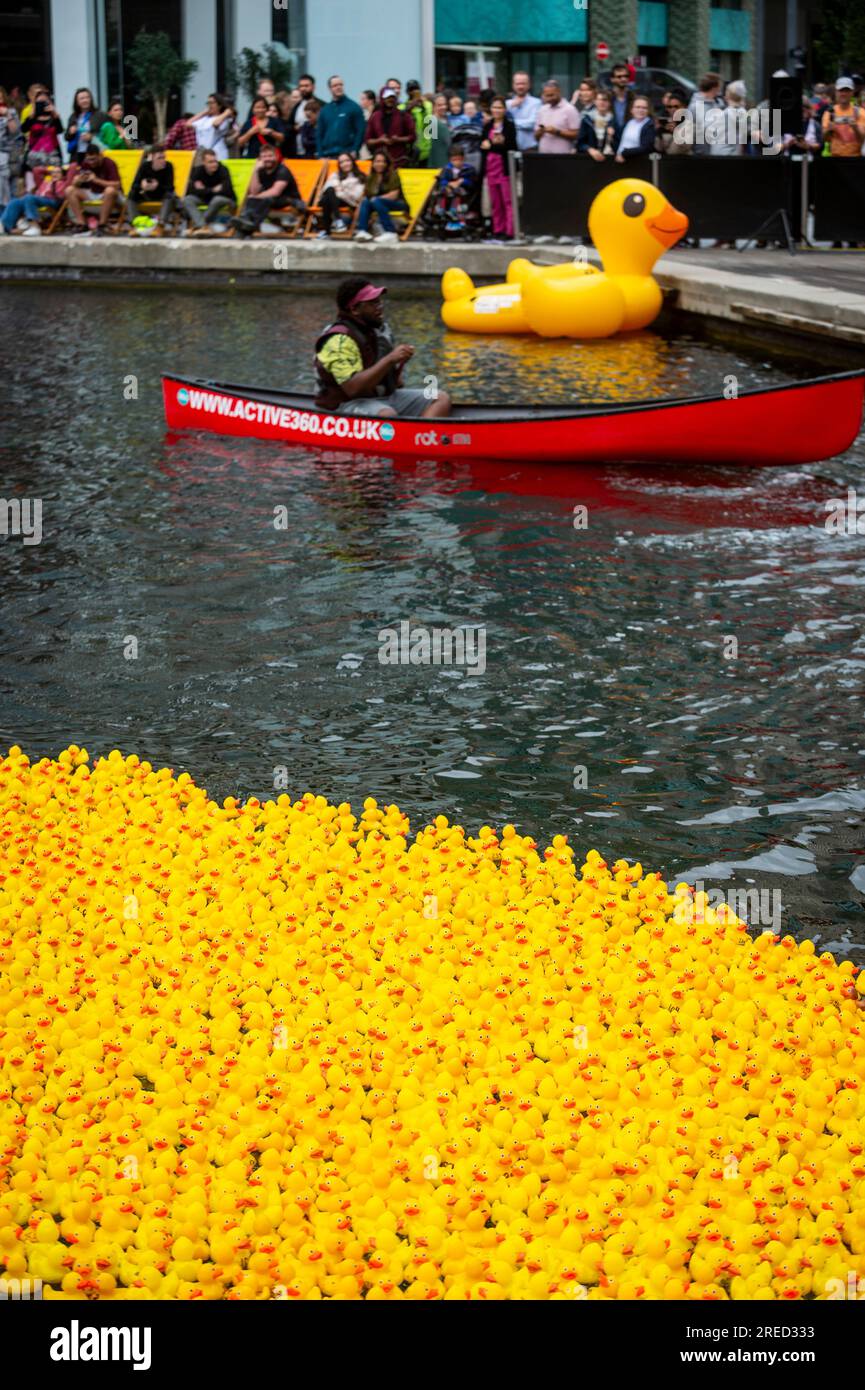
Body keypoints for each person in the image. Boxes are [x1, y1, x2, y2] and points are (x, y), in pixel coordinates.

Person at [315, 277, 451, 419]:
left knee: (440, 398)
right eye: (373, 303)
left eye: (379, 301)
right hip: (346, 404)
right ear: (354, 309)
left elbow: (395, 382)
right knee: (387, 415)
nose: (380, 306)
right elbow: (353, 389)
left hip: (382, 399)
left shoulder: (378, 330)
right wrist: (390, 359)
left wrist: (395, 370)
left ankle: (421, 438)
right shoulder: (338, 340)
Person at [229, 144, 307, 237]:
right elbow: (254, 191)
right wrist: (255, 170)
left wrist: (256, 197)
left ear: (276, 157)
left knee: (264, 199)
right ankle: (246, 224)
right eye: (264, 157)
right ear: (260, 159)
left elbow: (275, 191)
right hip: (270, 200)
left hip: (289, 200)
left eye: (270, 156)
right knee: (253, 198)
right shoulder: (261, 170)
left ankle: (248, 226)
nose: (267, 159)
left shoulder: (282, 170)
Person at [480, 95, 517, 239]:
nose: (497, 110)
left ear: (505, 109)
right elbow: (483, 144)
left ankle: (509, 231)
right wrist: (487, 144)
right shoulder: (487, 125)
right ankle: (497, 230)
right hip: (490, 167)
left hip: (504, 167)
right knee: (495, 202)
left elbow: (512, 146)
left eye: (500, 107)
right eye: (494, 107)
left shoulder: (509, 125)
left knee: (507, 200)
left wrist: (497, 143)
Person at [0, 161, 71, 235]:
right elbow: (36, 170)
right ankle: (6, 228)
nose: (55, 174)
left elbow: (72, 168)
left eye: (58, 172)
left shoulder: (64, 182)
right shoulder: (45, 181)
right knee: (14, 201)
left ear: (63, 175)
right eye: (53, 172)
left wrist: (63, 171)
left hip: (53, 200)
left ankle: (35, 226)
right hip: (38, 199)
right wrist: (48, 170)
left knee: (29, 197)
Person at [64, 146, 122, 234]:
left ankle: (102, 224)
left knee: (110, 190)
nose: (91, 162)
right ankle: (82, 224)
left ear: (100, 155)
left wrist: (96, 180)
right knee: (69, 190)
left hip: (110, 196)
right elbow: (78, 184)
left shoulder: (109, 163)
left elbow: (117, 185)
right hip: (93, 193)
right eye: (89, 159)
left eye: (93, 159)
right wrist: (77, 181)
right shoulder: (85, 164)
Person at [354, 150, 407, 242]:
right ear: (373, 163)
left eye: (383, 161)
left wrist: (376, 200)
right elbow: (366, 195)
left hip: (397, 204)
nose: (380, 164)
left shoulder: (393, 174)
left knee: (375, 201)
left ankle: (391, 232)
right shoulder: (371, 177)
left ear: (387, 163)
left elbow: (394, 195)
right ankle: (363, 231)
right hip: (378, 204)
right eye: (378, 161)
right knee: (366, 201)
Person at [124, 145, 178, 234]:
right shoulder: (145, 166)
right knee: (132, 194)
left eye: (164, 157)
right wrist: (142, 185)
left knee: (170, 196)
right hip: (147, 194)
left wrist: (157, 186)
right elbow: (134, 185)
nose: (163, 160)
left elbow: (170, 188)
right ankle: (136, 224)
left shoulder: (168, 166)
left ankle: (160, 225)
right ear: (152, 157)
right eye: (159, 158)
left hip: (161, 194)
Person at [181, 147, 236, 232]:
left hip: (226, 199)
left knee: (217, 199)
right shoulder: (198, 171)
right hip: (206, 198)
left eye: (215, 161)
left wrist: (204, 190)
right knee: (187, 200)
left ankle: (198, 227)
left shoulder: (223, 170)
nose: (214, 164)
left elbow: (227, 191)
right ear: (204, 163)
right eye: (210, 162)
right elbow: (190, 190)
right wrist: (212, 190)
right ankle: (203, 226)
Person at [312, 151, 365, 236]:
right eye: (341, 162)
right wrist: (341, 190)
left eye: (347, 160)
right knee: (328, 194)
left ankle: (327, 230)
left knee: (328, 198)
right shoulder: (335, 175)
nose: (345, 164)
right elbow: (326, 189)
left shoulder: (360, 177)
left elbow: (356, 196)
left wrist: (339, 190)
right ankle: (338, 221)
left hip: (348, 202)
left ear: (352, 161)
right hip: (334, 200)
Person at [365, 88, 415, 168]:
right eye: (387, 97)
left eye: (392, 97)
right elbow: (368, 140)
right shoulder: (375, 117)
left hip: (399, 160)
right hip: (380, 162)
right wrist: (380, 140)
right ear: (382, 99)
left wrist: (398, 139)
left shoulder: (404, 116)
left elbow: (413, 137)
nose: (390, 100)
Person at [317, 75, 365, 157]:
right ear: (329, 89)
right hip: (327, 155)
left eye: (340, 85)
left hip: (347, 155)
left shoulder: (354, 107)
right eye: (335, 85)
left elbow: (361, 131)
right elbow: (319, 133)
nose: (338, 87)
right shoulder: (325, 110)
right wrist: (320, 154)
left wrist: (355, 149)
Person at [822, 78, 865, 156]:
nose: (844, 93)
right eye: (841, 90)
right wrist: (829, 129)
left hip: (856, 159)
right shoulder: (829, 112)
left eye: (847, 90)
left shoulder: (860, 112)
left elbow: (863, 140)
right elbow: (825, 140)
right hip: (835, 158)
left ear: (852, 92)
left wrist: (855, 128)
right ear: (836, 92)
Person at [433, 148, 476, 225]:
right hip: (449, 190)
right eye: (454, 160)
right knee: (442, 190)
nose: (457, 162)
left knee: (457, 191)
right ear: (450, 160)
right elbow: (442, 180)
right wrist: (449, 183)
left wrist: (462, 181)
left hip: (463, 191)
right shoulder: (447, 169)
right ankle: (440, 210)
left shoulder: (469, 169)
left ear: (463, 158)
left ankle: (453, 211)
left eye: (459, 159)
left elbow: (472, 182)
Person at [188, 94, 236, 161]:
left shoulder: (225, 120)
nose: (209, 105)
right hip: (203, 154)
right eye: (208, 103)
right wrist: (203, 113)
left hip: (218, 155)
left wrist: (226, 113)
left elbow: (215, 123)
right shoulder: (204, 119)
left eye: (212, 103)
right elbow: (188, 124)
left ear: (219, 105)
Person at [535, 82, 579, 153]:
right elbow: (536, 137)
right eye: (547, 96)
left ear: (558, 92)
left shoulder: (570, 109)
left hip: (563, 157)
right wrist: (541, 131)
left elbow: (576, 135)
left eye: (552, 95)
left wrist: (556, 132)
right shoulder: (542, 110)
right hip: (543, 157)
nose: (549, 98)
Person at [21, 90, 63, 166]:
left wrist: (55, 114)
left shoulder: (53, 117)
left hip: (52, 156)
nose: (43, 104)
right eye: (40, 102)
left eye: (45, 101)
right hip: (34, 157)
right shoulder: (33, 118)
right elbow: (23, 129)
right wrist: (31, 115)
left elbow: (60, 131)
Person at [65, 88, 107, 159]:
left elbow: (105, 133)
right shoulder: (73, 116)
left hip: (94, 153)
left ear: (91, 99)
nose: (85, 100)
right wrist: (70, 132)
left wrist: (91, 137)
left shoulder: (99, 115)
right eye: (82, 98)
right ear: (77, 102)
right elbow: (66, 137)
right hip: (76, 154)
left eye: (87, 97)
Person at [688, 73, 724, 156]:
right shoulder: (696, 106)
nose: (720, 89)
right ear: (714, 88)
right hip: (702, 154)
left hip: (715, 152)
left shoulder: (717, 103)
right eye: (719, 86)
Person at [578, 89, 620, 159]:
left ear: (609, 103)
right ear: (595, 101)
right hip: (589, 159)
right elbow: (580, 144)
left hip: (607, 160)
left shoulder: (614, 122)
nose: (602, 102)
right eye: (599, 100)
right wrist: (590, 150)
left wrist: (611, 138)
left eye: (605, 100)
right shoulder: (587, 119)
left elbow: (618, 147)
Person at [507, 71, 542, 152]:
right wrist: (510, 107)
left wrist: (511, 123)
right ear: (513, 85)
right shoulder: (508, 104)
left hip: (530, 149)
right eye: (518, 84)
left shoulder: (537, 103)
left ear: (529, 85)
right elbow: (502, 123)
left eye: (523, 83)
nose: (520, 86)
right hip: (510, 149)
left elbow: (532, 123)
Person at [615, 95, 656, 161]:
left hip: (638, 163)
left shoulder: (650, 125)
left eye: (644, 108)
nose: (640, 110)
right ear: (631, 109)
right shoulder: (628, 123)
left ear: (648, 110)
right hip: (621, 161)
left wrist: (624, 153)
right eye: (637, 107)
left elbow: (646, 148)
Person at [0, 88, 23, 205]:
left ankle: (9, 219)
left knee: (11, 189)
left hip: (10, 158)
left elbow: (15, 132)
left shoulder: (11, 111)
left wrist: (7, 115)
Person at [403, 80, 433, 165]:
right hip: (408, 151)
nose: (413, 92)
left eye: (416, 89)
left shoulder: (428, 105)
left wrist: (423, 108)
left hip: (426, 151)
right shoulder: (401, 107)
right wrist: (409, 108)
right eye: (411, 89)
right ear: (407, 92)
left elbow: (431, 128)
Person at [655, 88, 690, 155]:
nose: (673, 109)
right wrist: (658, 132)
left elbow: (676, 151)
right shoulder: (665, 123)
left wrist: (676, 132)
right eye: (669, 107)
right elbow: (658, 148)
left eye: (676, 106)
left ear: (684, 107)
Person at [428, 94, 452, 168]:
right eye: (439, 105)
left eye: (445, 104)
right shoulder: (432, 122)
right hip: (436, 165)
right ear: (433, 107)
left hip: (446, 163)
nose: (444, 107)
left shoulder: (446, 120)